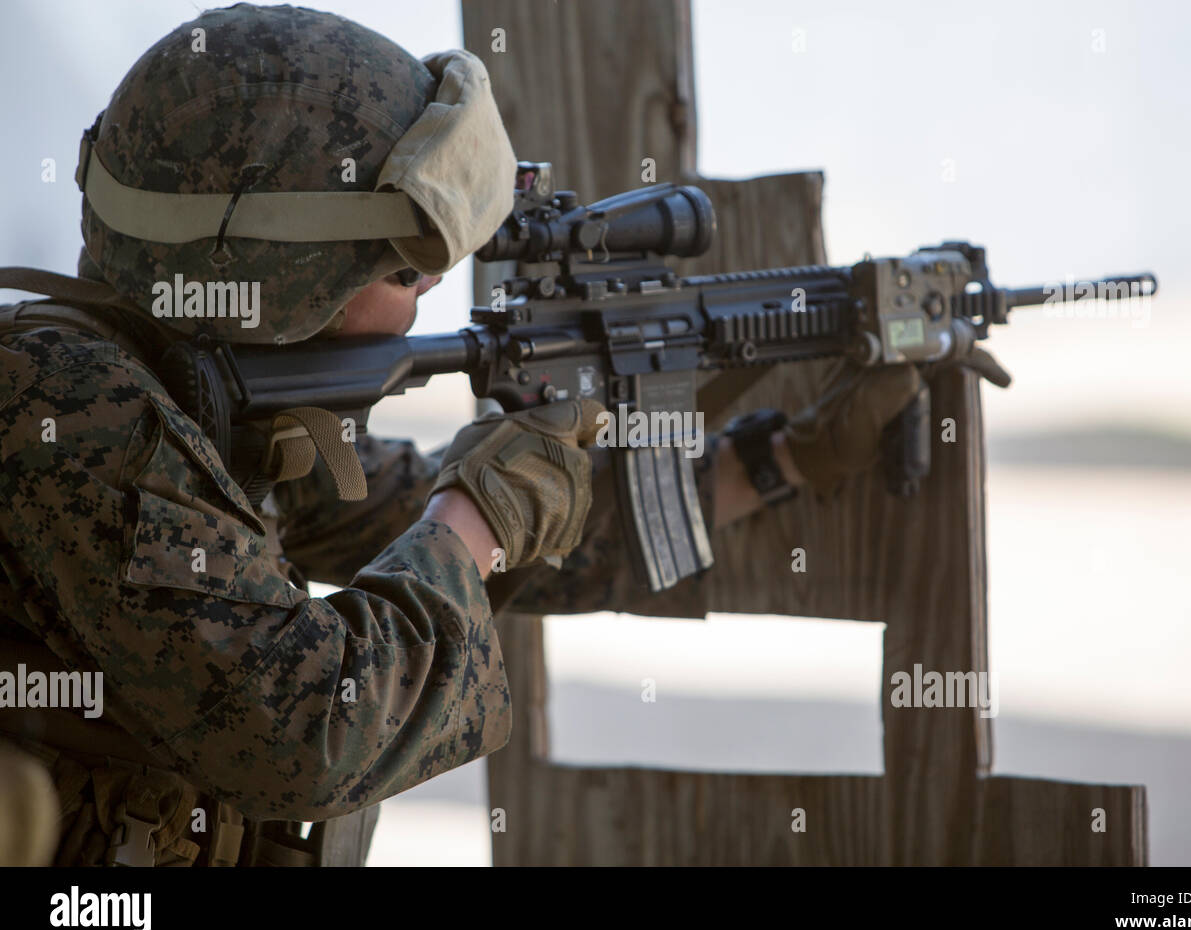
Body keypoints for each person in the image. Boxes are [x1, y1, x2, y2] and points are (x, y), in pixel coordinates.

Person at [0, 4, 920, 866]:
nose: (431, 293)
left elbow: (410, 517)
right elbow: (311, 728)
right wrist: (476, 513)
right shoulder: (67, 408)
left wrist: (781, 459)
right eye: (404, 268)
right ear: (280, 278)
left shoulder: (194, 391)